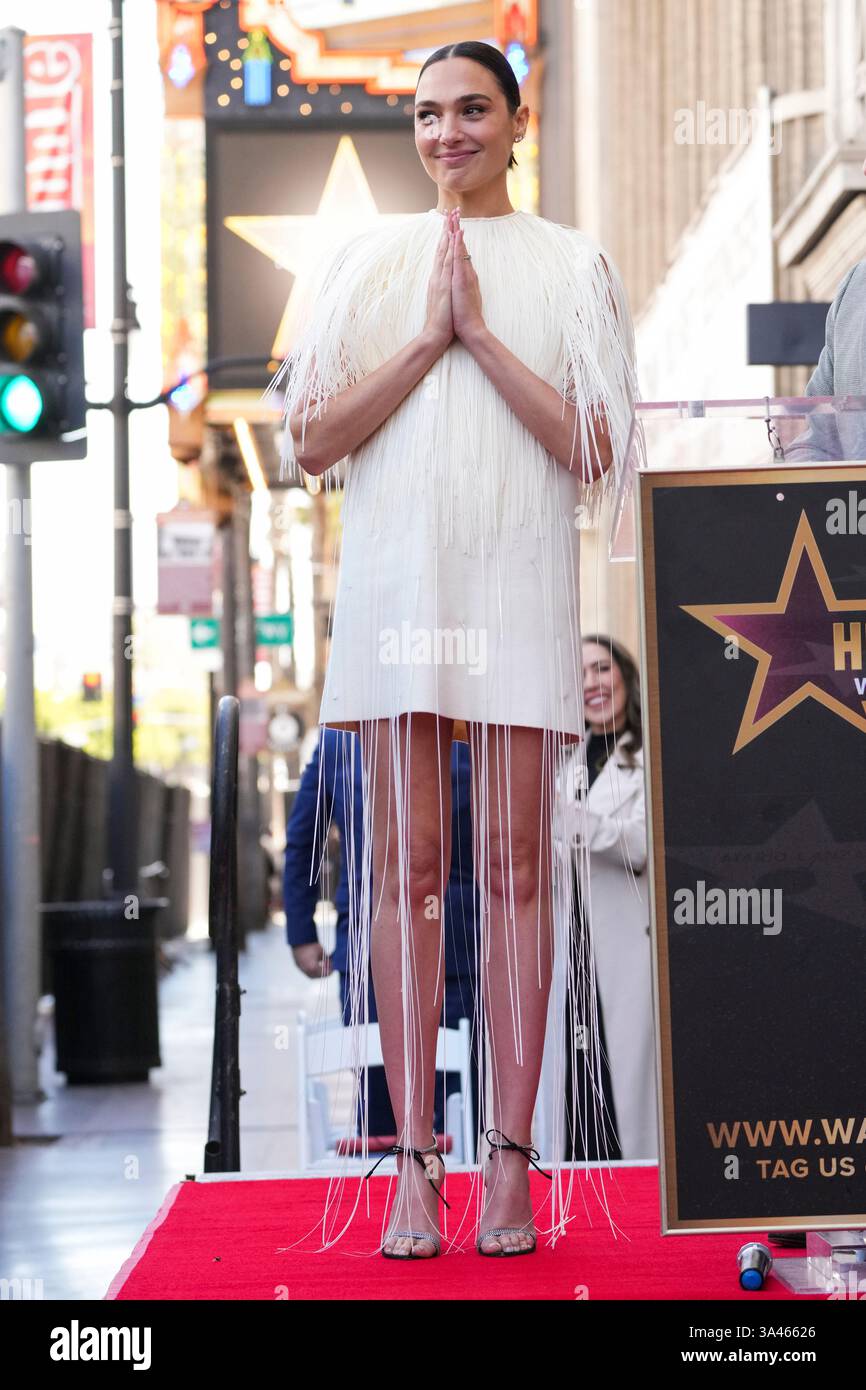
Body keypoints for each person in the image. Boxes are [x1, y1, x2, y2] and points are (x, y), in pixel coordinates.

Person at [268, 40, 639, 1260]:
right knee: (406, 866)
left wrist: (480, 335)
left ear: (517, 121)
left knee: (514, 866)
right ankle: (415, 1163)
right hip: (392, 587)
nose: (445, 135)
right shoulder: (364, 263)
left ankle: (513, 1160)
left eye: (469, 111)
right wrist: (425, 339)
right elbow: (311, 442)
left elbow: (590, 448)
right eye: (426, 115)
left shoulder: (571, 262)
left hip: (516, 578)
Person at [284, 726, 479, 1140]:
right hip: (366, 948)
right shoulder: (338, 739)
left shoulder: (463, 727)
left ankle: (461, 1197)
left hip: (457, 946)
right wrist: (301, 932)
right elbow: (304, 838)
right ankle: (388, 1197)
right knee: (378, 1100)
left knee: (459, 1102)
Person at [557, 636, 657, 1163]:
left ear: (625, 674)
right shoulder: (565, 757)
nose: (593, 683)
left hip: (624, 941)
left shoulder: (649, 753)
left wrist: (573, 821)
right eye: (582, 674)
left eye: (602, 668)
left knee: (631, 1080)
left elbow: (643, 845)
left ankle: (639, 1186)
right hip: (567, 940)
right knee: (576, 1075)